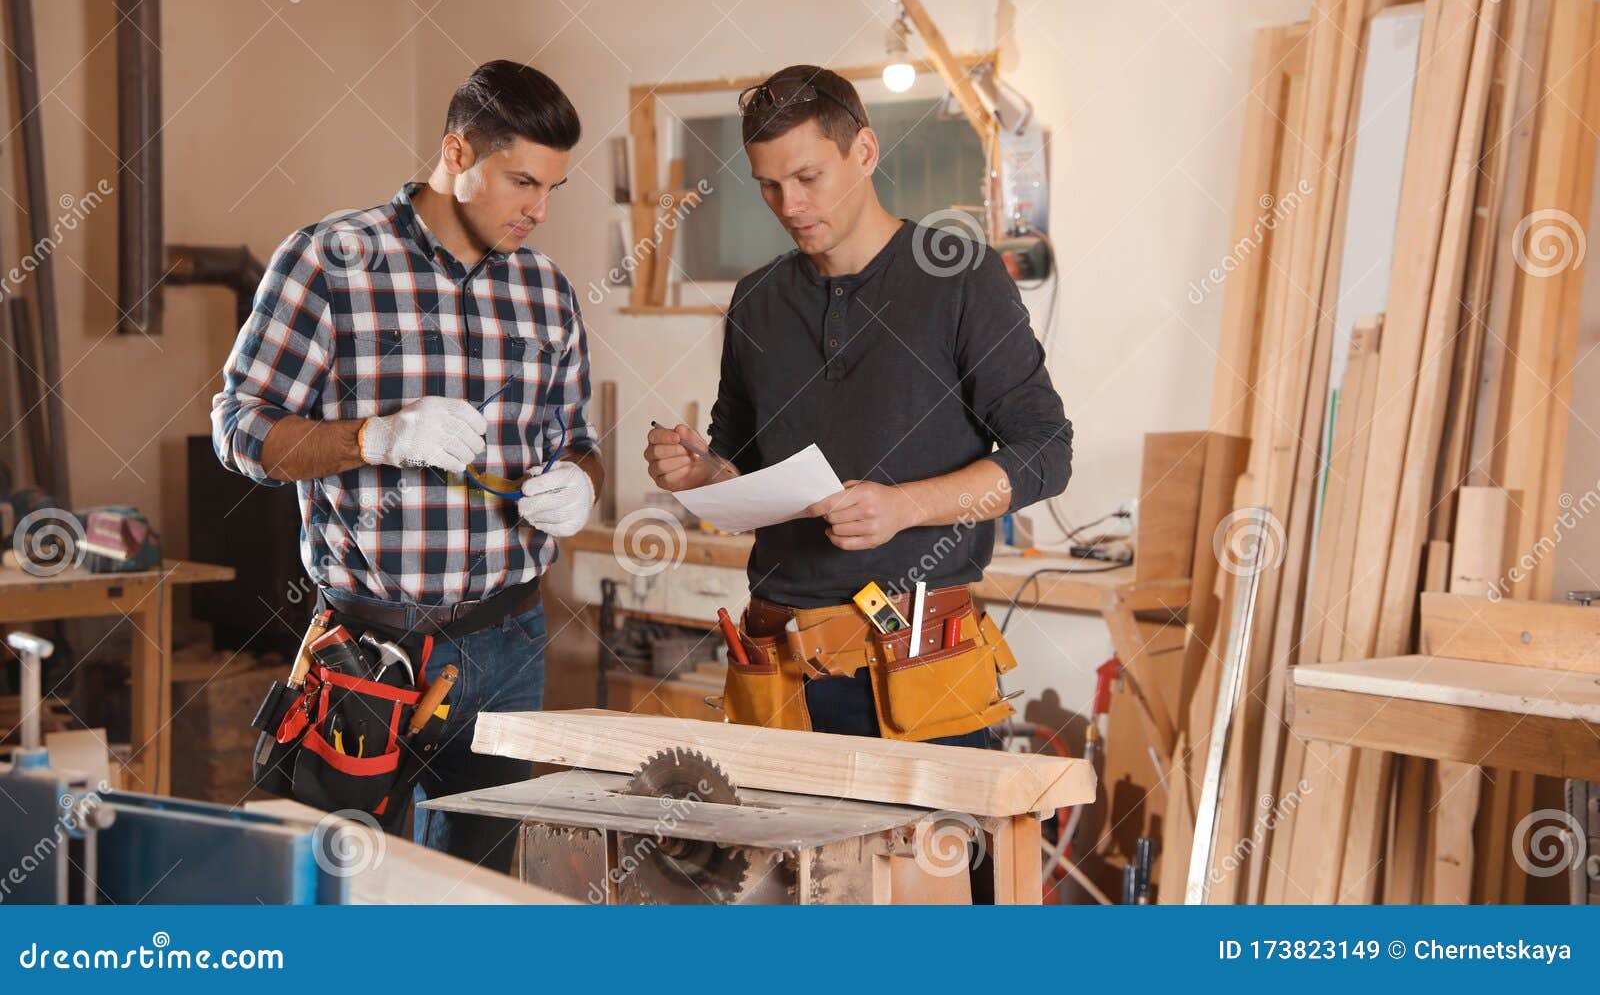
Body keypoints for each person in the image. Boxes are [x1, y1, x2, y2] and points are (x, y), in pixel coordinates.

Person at [213, 60, 602, 871]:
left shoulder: (547, 291)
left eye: (553, 189)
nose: (539, 210)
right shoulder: (329, 260)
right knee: (350, 887)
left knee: (481, 888)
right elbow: (240, 430)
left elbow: (577, 437)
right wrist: (375, 438)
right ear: (457, 153)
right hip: (368, 650)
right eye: (523, 182)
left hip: (509, 641)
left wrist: (582, 482)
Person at [644, 64, 1072, 749]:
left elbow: (1046, 452)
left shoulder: (962, 277)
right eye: (769, 185)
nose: (789, 205)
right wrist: (700, 473)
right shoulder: (757, 299)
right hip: (779, 668)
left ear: (865, 151)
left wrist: (904, 507)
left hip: (921, 670)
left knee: (926, 829)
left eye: (808, 177)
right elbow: (739, 467)